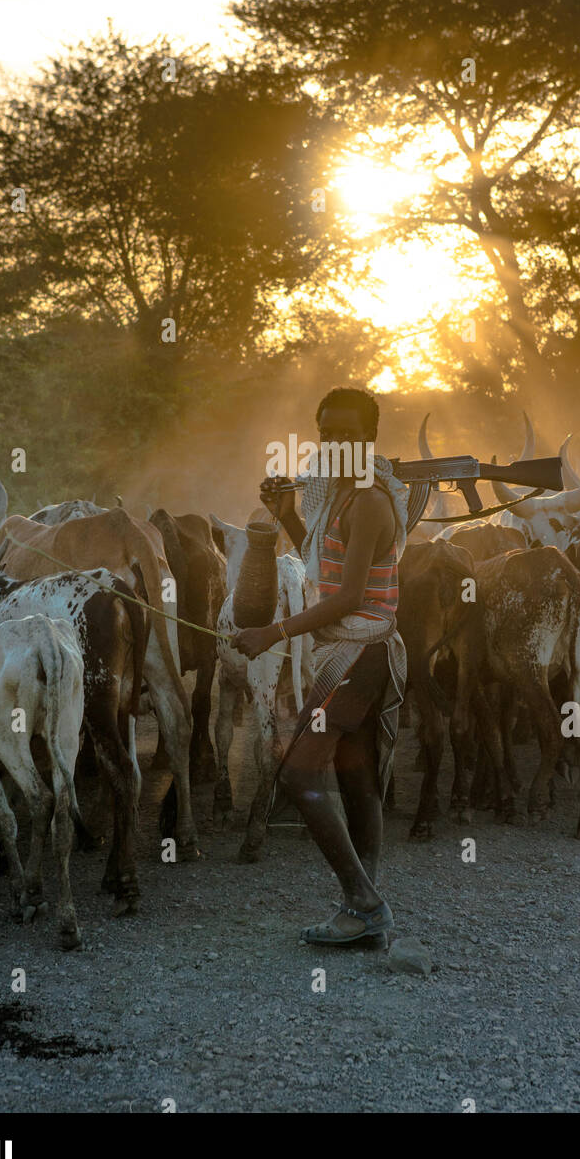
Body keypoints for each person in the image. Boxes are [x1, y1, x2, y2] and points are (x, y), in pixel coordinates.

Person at [234, 387, 408, 946]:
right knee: (356, 779)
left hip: (358, 654)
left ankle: (365, 902)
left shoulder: (371, 501)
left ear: (369, 438)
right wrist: (285, 514)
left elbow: (349, 596)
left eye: (348, 434)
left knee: (298, 774)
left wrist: (272, 633)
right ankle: (362, 911)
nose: (336, 443)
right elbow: (321, 564)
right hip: (360, 652)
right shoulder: (340, 496)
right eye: (327, 433)